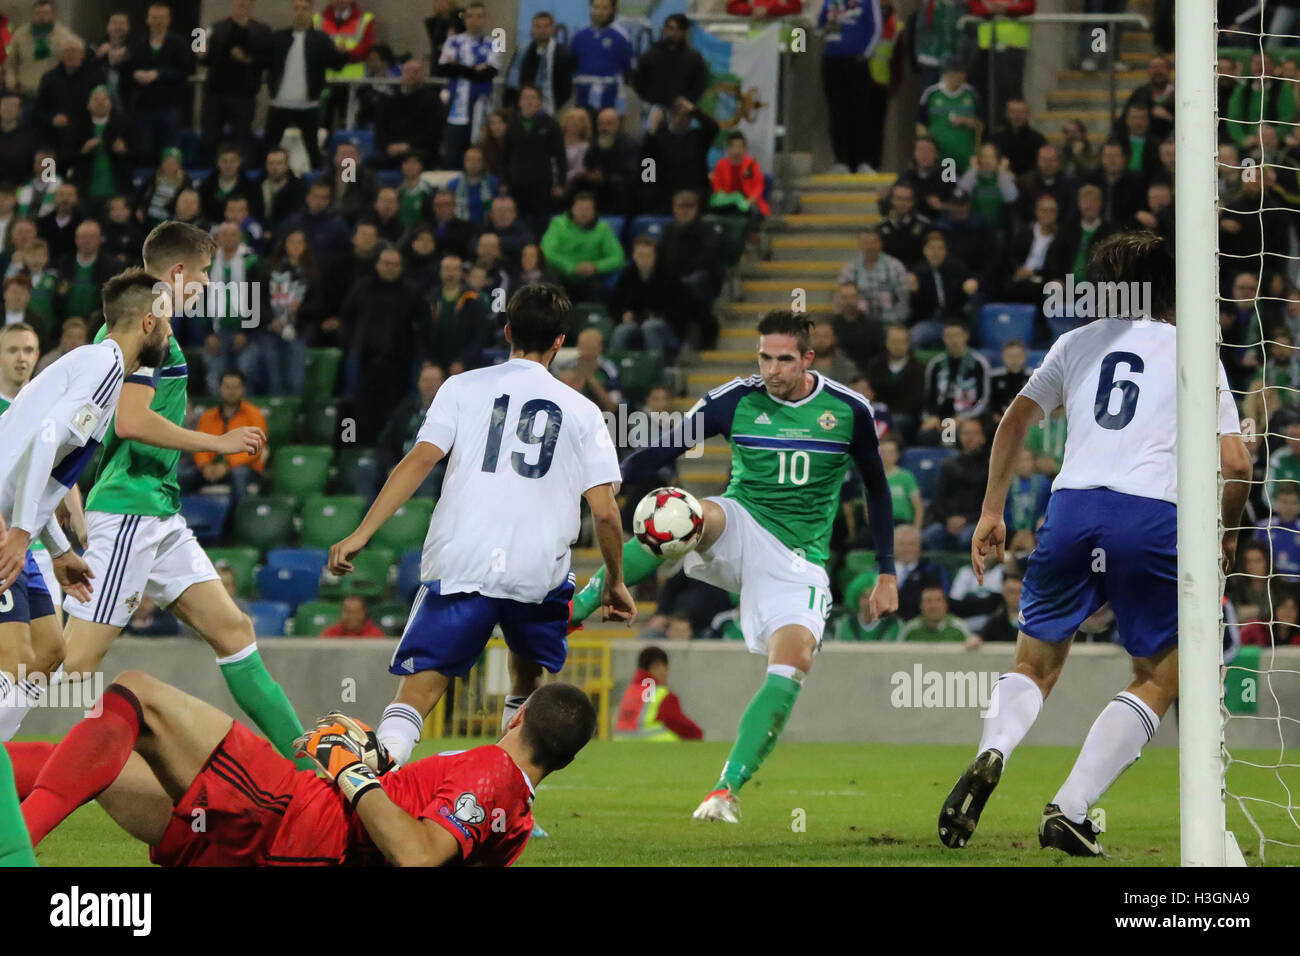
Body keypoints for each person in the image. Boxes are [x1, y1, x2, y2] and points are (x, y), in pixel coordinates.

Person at [937, 231, 1253, 856]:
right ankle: (1071, 807)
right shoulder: (1195, 348)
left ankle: (993, 751)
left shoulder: (1073, 344)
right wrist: (1228, 536)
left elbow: (1014, 419)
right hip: (1150, 515)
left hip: (1071, 506)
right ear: (1171, 285)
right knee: (1161, 675)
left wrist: (992, 509)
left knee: (1032, 664)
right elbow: (1237, 462)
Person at [568, 310, 899, 822]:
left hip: (798, 559)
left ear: (808, 359)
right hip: (742, 521)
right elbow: (668, 444)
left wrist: (886, 571)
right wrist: (616, 480)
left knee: (794, 661)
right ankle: (575, 608)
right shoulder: (736, 398)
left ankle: (725, 790)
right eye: (764, 356)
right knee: (681, 511)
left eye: (784, 359)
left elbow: (876, 488)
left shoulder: (848, 409)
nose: (772, 369)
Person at [326, 283, 635, 767]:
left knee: (417, 692)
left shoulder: (462, 387)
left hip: (462, 558)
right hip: (537, 570)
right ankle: (508, 800)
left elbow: (419, 460)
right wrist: (615, 581)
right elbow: (604, 512)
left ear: (507, 330)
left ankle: (373, 782)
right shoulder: (583, 412)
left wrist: (362, 533)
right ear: (560, 342)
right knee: (527, 682)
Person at [53, 224, 305, 774]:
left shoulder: (139, 325)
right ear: (176, 274)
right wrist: (217, 441)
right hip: (127, 514)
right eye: (204, 274)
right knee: (70, 666)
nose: (208, 284)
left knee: (234, 630)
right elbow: (132, 420)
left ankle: (313, 778)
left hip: (157, 515)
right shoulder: (145, 329)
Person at [16, 672, 595, 866]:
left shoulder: (493, 772)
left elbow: (416, 855)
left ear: (515, 722)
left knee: (134, 693)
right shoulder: (515, 822)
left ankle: (13, 856)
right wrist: (371, 761)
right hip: (300, 846)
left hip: (296, 817)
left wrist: (348, 770)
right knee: (107, 769)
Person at [266, 0, 349, 171]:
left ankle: (318, 184)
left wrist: (343, 53)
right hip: (279, 103)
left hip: (308, 105)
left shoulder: (321, 39)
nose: (300, 12)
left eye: (304, 9)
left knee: (313, 150)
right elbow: (264, 61)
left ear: (311, 12)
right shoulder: (278, 37)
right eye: (296, 8)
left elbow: (336, 64)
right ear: (291, 11)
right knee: (268, 148)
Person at [200, 0, 272, 164]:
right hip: (215, 94)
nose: (242, 5)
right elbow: (205, 60)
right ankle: (210, 170)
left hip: (243, 95)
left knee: (241, 137)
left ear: (252, 5)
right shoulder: (216, 28)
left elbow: (269, 60)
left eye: (246, 3)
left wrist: (248, 59)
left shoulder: (262, 31)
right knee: (210, 136)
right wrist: (201, 54)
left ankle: (239, 172)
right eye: (239, 2)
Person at [437, 1, 501, 170]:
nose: (474, 20)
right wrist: (473, 70)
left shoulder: (493, 43)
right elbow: (444, 69)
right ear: (464, 19)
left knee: (477, 148)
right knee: (452, 150)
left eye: (479, 16)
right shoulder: (453, 41)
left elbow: (489, 74)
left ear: (485, 19)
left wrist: (458, 66)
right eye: (471, 16)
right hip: (455, 105)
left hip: (479, 103)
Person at [191, 369, 269, 499]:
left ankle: (240, 517)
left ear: (243, 389)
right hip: (211, 468)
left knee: (239, 475)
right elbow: (199, 444)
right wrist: (205, 466)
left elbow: (256, 447)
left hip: (245, 468)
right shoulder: (207, 416)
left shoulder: (254, 415)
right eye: (227, 387)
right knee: (184, 475)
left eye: (236, 387)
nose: (231, 391)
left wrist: (227, 465)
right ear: (220, 388)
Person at [614, 645, 703, 740]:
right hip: (655, 750)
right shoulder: (662, 695)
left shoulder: (629, 692)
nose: (666, 672)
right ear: (655, 666)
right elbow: (685, 728)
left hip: (622, 749)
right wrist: (699, 734)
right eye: (664, 667)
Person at [570, 0, 636, 117]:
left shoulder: (621, 36)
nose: (599, 12)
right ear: (591, 8)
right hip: (582, 99)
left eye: (604, 8)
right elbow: (572, 65)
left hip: (610, 101)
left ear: (612, 10)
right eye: (596, 7)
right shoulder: (579, 36)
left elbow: (628, 69)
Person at [506, 11, 574, 117]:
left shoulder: (561, 54)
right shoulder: (522, 52)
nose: (542, 30)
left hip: (549, 110)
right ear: (532, 30)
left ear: (552, 29)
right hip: (521, 109)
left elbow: (566, 88)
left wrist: (552, 107)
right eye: (537, 26)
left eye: (546, 26)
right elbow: (511, 82)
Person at [322, 595, 386, 637]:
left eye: (354, 612)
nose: (349, 617)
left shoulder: (376, 636)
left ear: (364, 614)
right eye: (346, 612)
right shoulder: (330, 634)